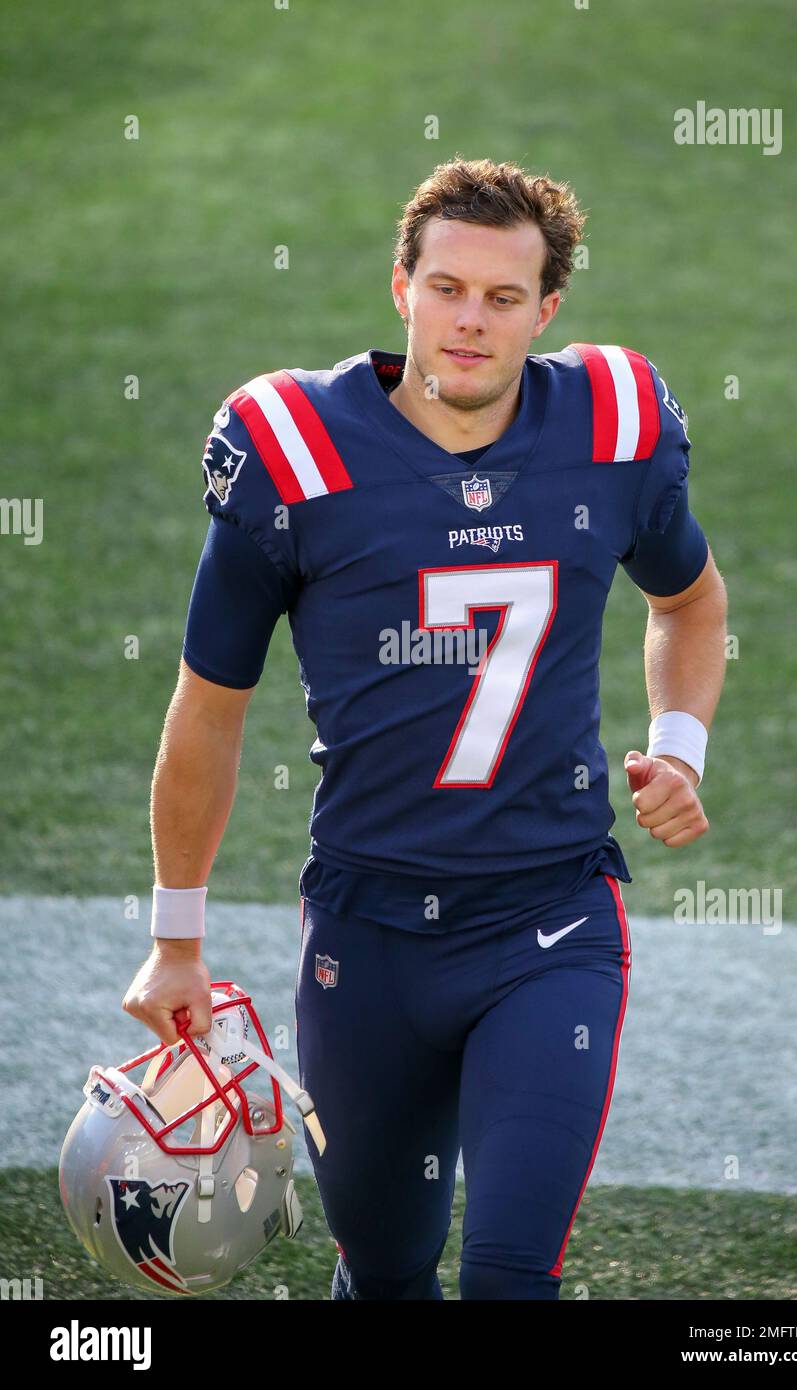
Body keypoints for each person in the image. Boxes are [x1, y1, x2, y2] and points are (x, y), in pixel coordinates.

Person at [122, 156, 727, 1300]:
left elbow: (688, 599)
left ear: (546, 310)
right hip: (367, 930)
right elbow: (208, 703)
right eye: (446, 287)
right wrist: (177, 936)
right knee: (387, 1270)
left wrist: (679, 742)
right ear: (399, 284)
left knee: (506, 1276)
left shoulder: (609, 426)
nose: (469, 320)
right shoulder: (293, 452)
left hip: (548, 921)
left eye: (503, 299)